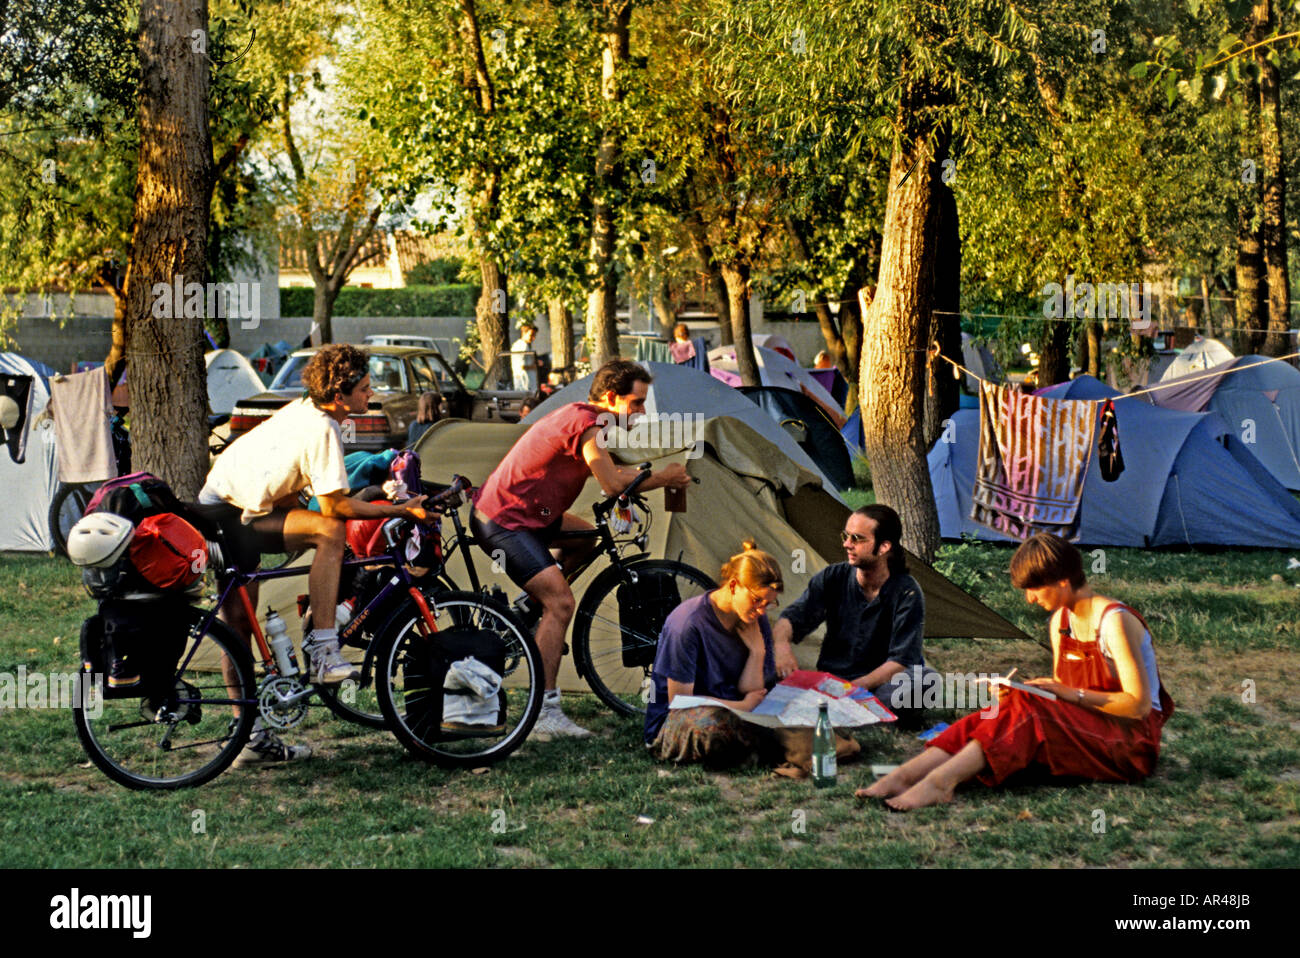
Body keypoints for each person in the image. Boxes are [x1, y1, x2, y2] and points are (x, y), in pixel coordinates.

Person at [197, 344, 429, 766]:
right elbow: (334, 509)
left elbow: (297, 481)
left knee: (237, 631)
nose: (370, 393)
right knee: (329, 531)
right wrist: (400, 509)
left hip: (226, 504)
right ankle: (324, 649)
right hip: (232, 515)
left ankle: (250, 739)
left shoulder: (305, 409)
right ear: (339, 395)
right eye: (363, 387)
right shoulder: (323, 427)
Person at [859, 532, 1175, 811]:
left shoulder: (1113, 621)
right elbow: (1064, 710)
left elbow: (1138, 705)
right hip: (1092, 731)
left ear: (1063, 580)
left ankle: (940, 783)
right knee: (1005, 707)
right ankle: (905, 775)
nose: (1029, 599)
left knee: (1029, 711)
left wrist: (1063, 692)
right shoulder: (1060, 623)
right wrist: (1031, 692)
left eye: (1035, 588)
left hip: (1132, 743)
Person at [471, 358, 693, 740]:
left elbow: (616, 473)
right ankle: (543, 712)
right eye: (636, 403)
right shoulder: (586, 422)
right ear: (610, 397)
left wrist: (651, 476)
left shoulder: (588, 420)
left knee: (587, 538)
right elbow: (610, 483)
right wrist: (663, 478)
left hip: (533, 516)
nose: (641, 413)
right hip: (506, 520)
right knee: (561, 603)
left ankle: (528, 608)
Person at [773, 504, 939, 728]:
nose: (846, 544)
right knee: (766, 671)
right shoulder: (833, 577)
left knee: (926, 681)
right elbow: (793, 617)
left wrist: (855, 688)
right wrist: (782, 646)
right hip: (835, 679)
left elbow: (900, 661)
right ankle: (858, 712)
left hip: (880, 683)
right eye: (846, 536)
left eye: (857, 539)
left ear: (884, 547)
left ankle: (846, 710)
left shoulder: (907, 592)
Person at [643, 541, 781, 766]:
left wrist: (757, 652)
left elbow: (754, 691)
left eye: (769, 603)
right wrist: (743, 707)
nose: (762, 610)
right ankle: (768, 749)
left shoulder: (756, 617)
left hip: (736, 710)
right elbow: (680, 701)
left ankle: (766, 746)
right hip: (679, 721)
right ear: (735, 585)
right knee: (713, 728)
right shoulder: (687, 623)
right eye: (757, 600)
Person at [511, 320, 540, 391]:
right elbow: (521, 366)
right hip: (524, 381)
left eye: (534, 335)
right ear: (524, 333)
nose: (533, 338)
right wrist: (535, 366)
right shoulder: (522, 346)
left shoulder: (523, 345)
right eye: (531, 335)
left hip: (526, 380)